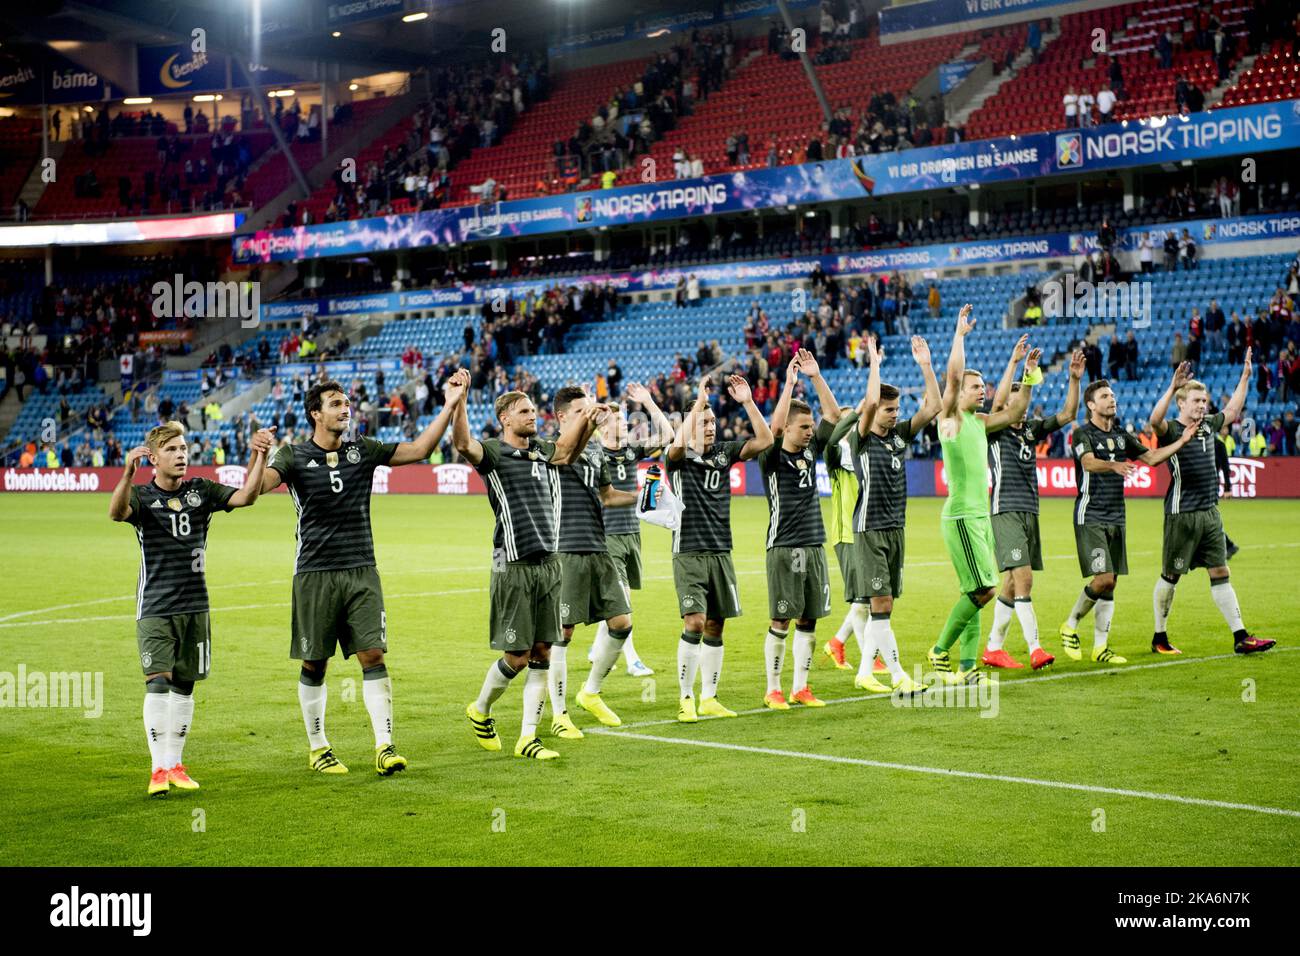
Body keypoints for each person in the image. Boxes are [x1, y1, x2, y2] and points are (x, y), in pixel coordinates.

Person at [261, 378, 460, 776]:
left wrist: (451, 403)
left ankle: (385, 745)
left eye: (347, 403)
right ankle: (318, 747)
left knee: (373, 654)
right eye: (335, 404)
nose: (345, 409)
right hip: (315, 573)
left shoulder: (362, 450)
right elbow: (258, 489)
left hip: (362, 571)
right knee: (315, 663)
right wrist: (259, 458)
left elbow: (421, 450)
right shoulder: (293, 456)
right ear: (315, 413)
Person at [109, 420, 275, 796]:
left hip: (195, 607)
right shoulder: (142, 497)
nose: (181, 455)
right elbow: (117, 513)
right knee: (159, 682)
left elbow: (247, 496)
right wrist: (125, 476)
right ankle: (157, 771)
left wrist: (260, 454)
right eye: (171, 450)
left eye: (183, 448)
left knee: (184, 686)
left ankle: (176, 764)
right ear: (153, 457)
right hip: (155, 607)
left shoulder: (202, 491)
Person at [453, 371, 600, 760]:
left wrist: (588, 419)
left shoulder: (544, 450)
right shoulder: (494, 453)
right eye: (524, 410)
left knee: (543, 652)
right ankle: (480, 709)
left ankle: (527, 737)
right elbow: (462, 443)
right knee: (516, 657)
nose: (532, 415)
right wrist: (460, 400)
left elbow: (569, 452)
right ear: (505, 418)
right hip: (513, 564)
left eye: (534, 409)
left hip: (549, 564)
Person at [927, 304, 1037, 685]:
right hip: (961, 517)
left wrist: (1029, 374)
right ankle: (940, 651)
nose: (983, 390)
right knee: (984, 589)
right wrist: (959, 335)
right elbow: (954, 377)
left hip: (979, 516)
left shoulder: (981, 422)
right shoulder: (951, 419)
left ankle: (967, 668)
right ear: (959, 395)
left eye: (983, 385)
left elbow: (1016, 407)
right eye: (977, 386)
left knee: (974, 591)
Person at [828, 333, 940, 693]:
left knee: (882, 606)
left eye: (896, 410)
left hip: (896, 528)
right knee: (882, 602)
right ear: (875, 410)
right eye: (889, 410)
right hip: (869, 529)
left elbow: (934, 406)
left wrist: (926, 367)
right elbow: (871, 399)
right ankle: (898, 675)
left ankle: (864, 672)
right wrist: (874, 363)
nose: (894, 415)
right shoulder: (861, 438)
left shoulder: (899, 437)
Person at [1147, 355, 1275, 655]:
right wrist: (1172, 386)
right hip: (1182, 516)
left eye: (1204, 400)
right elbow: (1154, 421)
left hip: (1210, 514)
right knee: (1171, 575)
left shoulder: (1208, 426)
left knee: (1220, 572)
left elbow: (1232, 411)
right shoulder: (1173, 431)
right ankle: (1159, 637)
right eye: (1196, 400)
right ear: (1182, 403)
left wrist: (1244, 377)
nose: (1202, 405)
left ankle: (1241, 636)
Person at [1059, 379, 1194, 663]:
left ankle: (1100, 648)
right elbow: (1088, 463)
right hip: (1091, 515)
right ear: (1091, 405)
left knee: (1112, 583)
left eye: (1113, 395)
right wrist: (1113, 465)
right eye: (1105, 396)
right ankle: (1070, 625)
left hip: (1116, 517)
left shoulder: (1122, 436)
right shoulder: (1082, 434)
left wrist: (1181, 441)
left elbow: (1153, 458)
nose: (1112, 399)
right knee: (1103, 578)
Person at [666, 372, 773, 722]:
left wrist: (747, 402)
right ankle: (685, 698)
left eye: (712, 421)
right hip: (689, 552)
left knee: (716, 625)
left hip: (721, 551)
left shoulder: (725, 454)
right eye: (703, 421)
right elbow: (676, 448)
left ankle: (709, 697)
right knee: (694, 622)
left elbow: (766, 438)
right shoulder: (678, 459)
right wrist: (696, 404)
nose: (711, 427)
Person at [543, 386, 640, 739]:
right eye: (580, 411)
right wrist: (589, 424)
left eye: (589, 410)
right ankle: (559, 713)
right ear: (562, 417)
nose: (589, 416)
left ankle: (591, 692)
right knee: (563, 633)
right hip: (565, 549)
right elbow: (569, 453)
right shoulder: (550, 449)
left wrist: (641, 499)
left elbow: (607, 496)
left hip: (597, 548)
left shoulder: (596, 449)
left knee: (622, 622)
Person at [982, 341, 1084, 670]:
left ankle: (993, 647)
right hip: (1005, 508)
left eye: (1024, 403)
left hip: (1030, 510)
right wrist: (1019, 367)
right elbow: (999, 404)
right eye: (1017, 401)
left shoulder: (1029, 430)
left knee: (1012, 583)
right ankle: (1035, 647)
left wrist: (1074, 380)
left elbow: (1068, 414)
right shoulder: (993, 429)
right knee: (1024, 579)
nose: (1023, 407)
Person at [759, 350, 845, 709]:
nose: (811, 432)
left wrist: (815, 376)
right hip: (784, 545)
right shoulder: (772, 455)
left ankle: (801, 687)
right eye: (804, 428)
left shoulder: (811, 453)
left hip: (813, 544)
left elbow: (834, 416)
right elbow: (773, 430)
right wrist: (789, 384)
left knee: (809, 618)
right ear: (789, 429)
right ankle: (773, 688)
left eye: (811, 428)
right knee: (781, 617)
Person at [587, 382, 674, 678]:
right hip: (607, 537)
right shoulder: (594, 455)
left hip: (631, 535)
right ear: (603, 426)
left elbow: (669, 435)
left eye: (625, 418)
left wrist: (649, 401)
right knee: (623, 601)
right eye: (619, 419)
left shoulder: (631, 451)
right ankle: (632, 659)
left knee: (616, 600)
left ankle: (597, 648)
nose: (625, 423)